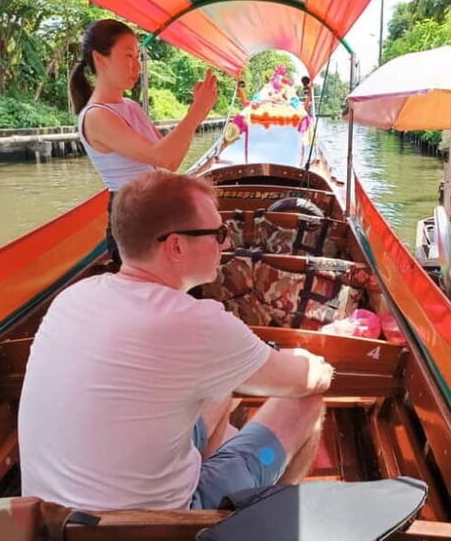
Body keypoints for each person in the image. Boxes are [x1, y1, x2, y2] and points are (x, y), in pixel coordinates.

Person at [18, 171, 334, 511]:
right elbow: (304, 380)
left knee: (219, 388)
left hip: (52, 523)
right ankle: (265, 512)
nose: (226, 244)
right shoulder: (197, 323)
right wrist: (316, 359)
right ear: (176, 246)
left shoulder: (73, 297)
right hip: (157, 528)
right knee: (308, 401)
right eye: (218, 234)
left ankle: (208, 470)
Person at [70, 19, 219, 265]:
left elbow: (172, 158)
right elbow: (164, 158)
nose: (136, 66)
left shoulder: (130, 106)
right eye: (129, 56)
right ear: (100, 59)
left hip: (154, 208)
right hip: (132, 219)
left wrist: (200, 112)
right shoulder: (96, 116)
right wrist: (196, 111)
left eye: (138, 57)